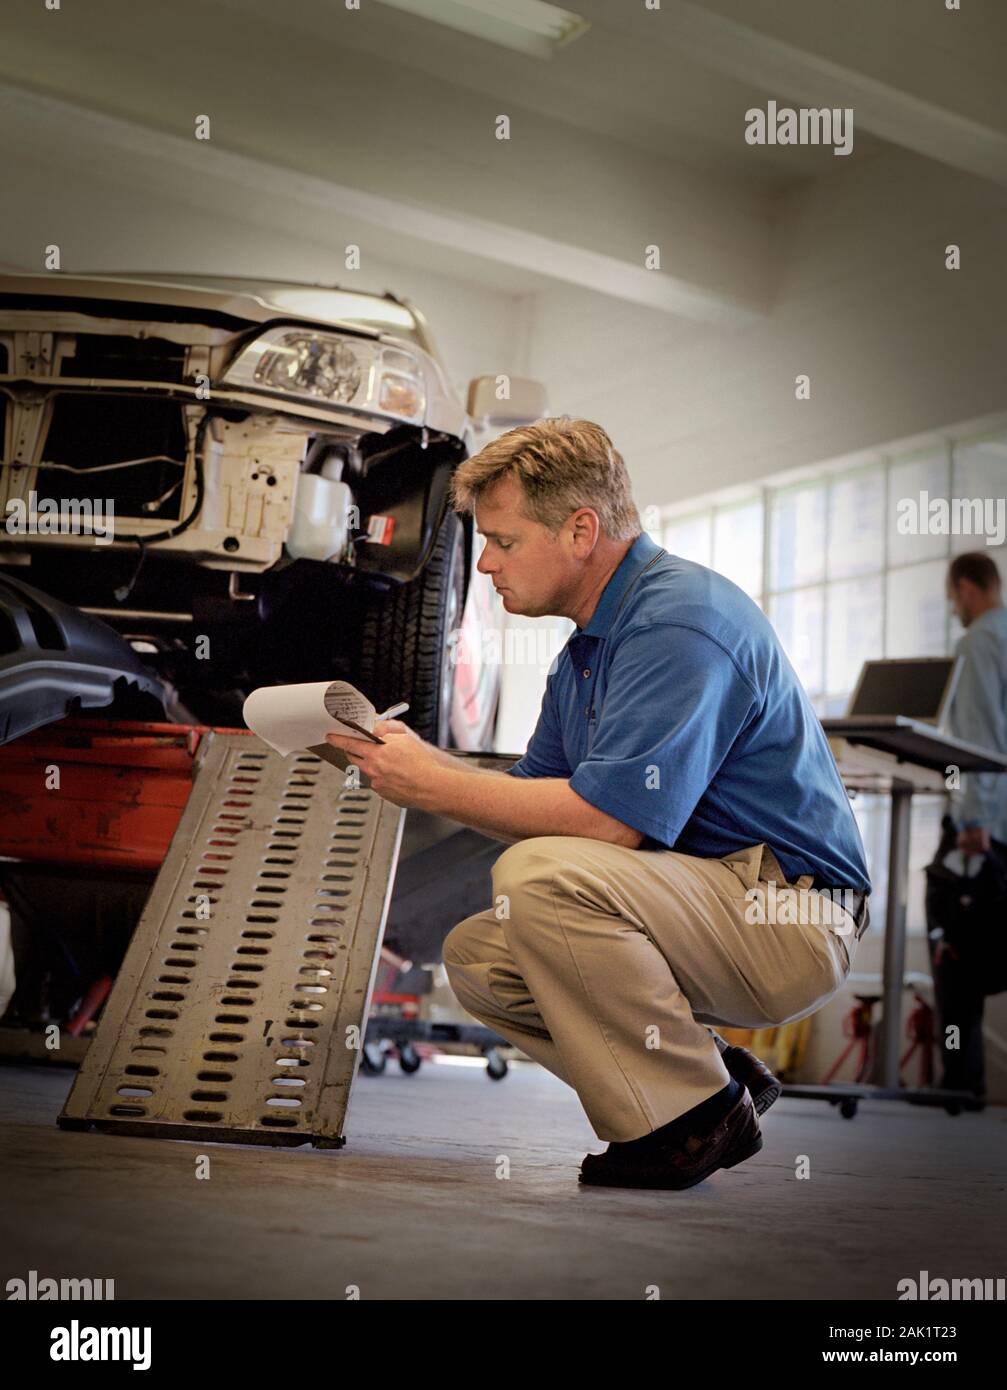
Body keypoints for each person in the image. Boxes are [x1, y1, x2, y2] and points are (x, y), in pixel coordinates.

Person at [326, 417, 871, 1190]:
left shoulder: (679, 622)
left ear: (581, 529)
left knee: (544, 875)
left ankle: (687, 1123)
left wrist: (435, 782)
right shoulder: (588, 648)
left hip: (790, 915)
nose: (484, 564)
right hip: (714, 898)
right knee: (481, 957)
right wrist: (410, 763)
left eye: (504, 542)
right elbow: (527, 797)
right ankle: (711, 1081)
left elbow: (605, 825)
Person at [930, 552, 1007, 1103]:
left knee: (955, 953)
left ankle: (961, 1086)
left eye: (953, 596)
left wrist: (975, 820)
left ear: (967, 588)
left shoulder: (979, 641)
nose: (954, 607)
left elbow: (980, 738)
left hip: (986, 827)